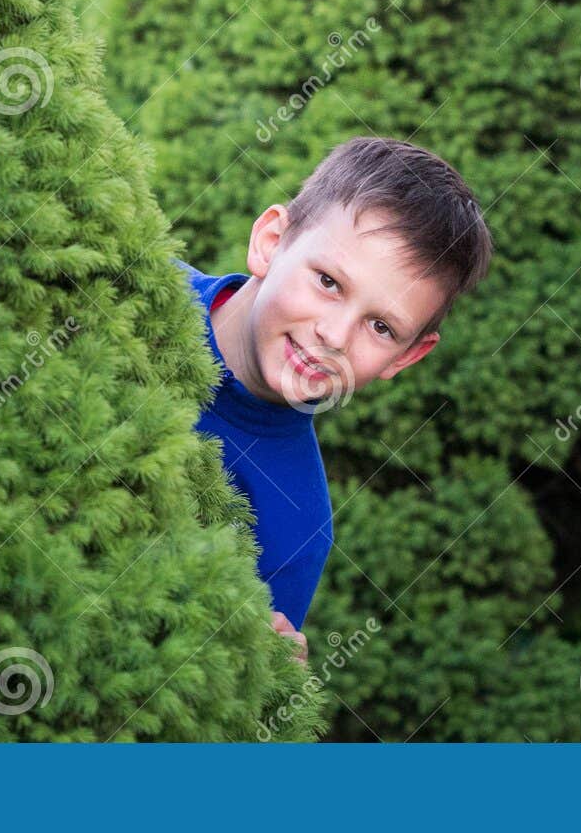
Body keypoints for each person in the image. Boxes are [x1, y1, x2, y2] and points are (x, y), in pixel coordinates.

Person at [176, 135, 493, 663]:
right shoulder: (125, 288)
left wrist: (255, 677)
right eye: (328, 281)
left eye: (381, 326)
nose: (336, 336)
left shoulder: (294, 524)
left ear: (406, 358)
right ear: (271, 241)